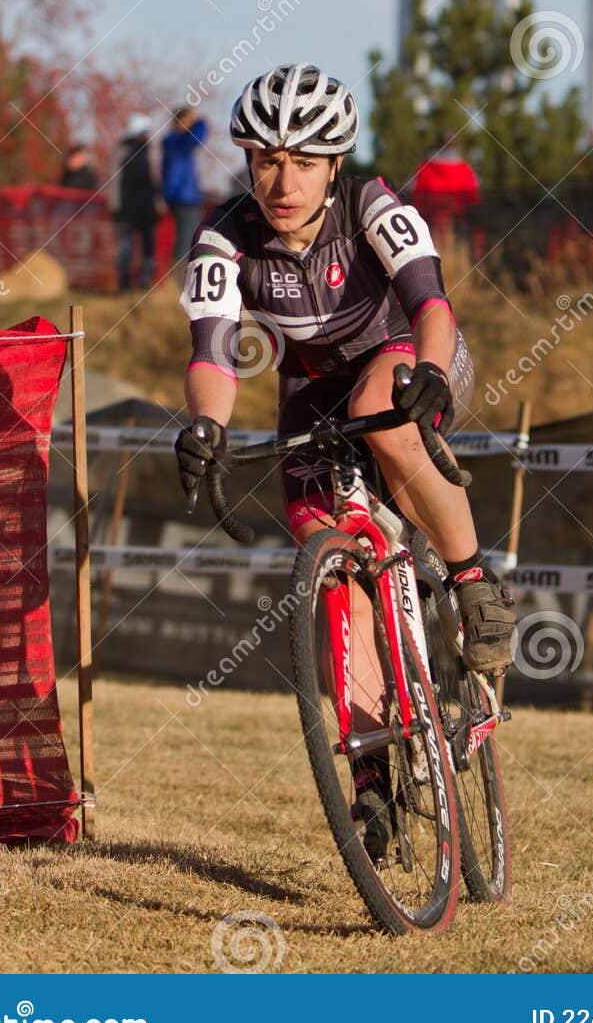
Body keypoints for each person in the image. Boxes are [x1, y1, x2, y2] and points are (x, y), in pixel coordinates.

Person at [173, 65, 515, 831]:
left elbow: (431, 304)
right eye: (266, 160)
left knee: (381, 410)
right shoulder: (221, 240)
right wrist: (207, 427)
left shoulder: (371, 205)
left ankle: (470, 581)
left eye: (301, 160)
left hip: (403, 358)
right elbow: (212, 357)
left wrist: (426, 372)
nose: (281, 179)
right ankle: (370, 773)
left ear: (333, 163)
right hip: (308, 392)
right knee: (330, 573)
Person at [110, 114, 158, 291]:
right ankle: (124, 285)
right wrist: (115, 206)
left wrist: (158, 204)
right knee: (125, 248)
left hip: (146, 208)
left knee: (148, 247)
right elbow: (113, 180)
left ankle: (145, 284)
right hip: (126, 208)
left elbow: (154, 179)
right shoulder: (121, 151)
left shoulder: (149, 151)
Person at [161, 107, 209, 264]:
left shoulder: (174, 142)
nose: (192, 125)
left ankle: (179, 279)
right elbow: (197, 138)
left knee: (186, 238)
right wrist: (201, 121)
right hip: (183, 197)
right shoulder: (178, 142)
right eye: (190, 121)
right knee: (187, 239)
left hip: (182, 197)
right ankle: (179, 279)